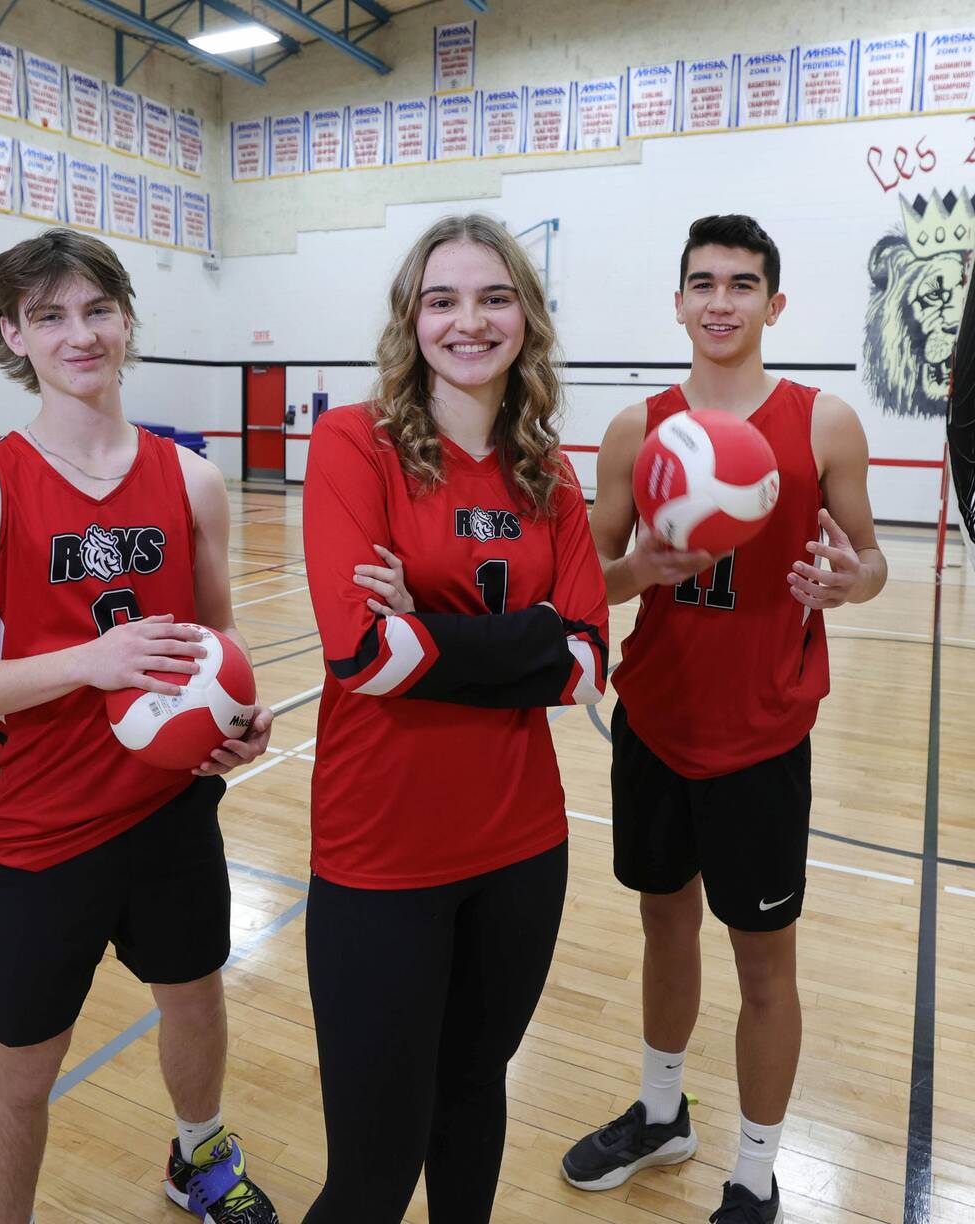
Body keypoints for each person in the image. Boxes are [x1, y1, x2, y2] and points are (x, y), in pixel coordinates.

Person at [0, 228, 281, 1224]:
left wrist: (235, 718)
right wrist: (87, 663)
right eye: (50, 316)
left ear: (125, 323)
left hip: (169, 813)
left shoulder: (192, 481)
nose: (80, 334)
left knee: (195, 999)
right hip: (37, 832)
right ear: (11, 337)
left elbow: (215, 632)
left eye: (97, 310)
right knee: (23, 1070)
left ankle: (197, 1160)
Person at [561, 215, 888, 1224]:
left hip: (760, 735)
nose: (718, 301)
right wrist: (638, 570)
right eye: (701, 283)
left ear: (772, 305)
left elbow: (871, 562)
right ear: (677, 302)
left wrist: (845, 582)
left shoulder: (821, 423)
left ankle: (755, 1170)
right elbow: (590, 583)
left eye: (740, 285)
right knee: (663, 924)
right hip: (654, 723)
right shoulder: (634, 429)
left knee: (762, 957)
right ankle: (662, 1114)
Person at [298, 213, 610, 1222]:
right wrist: (524, 637)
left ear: (524, 317)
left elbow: (581, 668)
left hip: (520, 849)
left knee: (473, 1102)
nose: (467, 321)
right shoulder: (354, 444)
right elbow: (360, 655)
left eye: (492, 297)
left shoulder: (552, 476)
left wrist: (425, 628)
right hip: (378, 854)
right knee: (373, 1172)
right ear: (410, 319)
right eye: (441, 299)